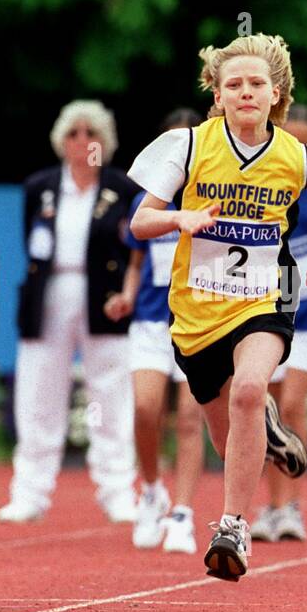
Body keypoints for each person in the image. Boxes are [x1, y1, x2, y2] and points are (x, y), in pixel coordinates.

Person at [128, 34, 307, 581]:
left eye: (256, 83)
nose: (246, 92)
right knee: (224, 432)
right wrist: (178, 218)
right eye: (234, 84)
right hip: (197, 305)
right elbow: (139, 221)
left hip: (268, 293)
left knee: (250, 390)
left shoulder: (299, 154)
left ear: (276, 94)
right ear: (218, 94)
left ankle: (232, 525)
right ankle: (267, 434)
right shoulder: (186, 147)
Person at [0, 100, 141, 524]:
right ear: (61, 141)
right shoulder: (39, 187)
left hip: (104, 294)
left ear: (105, 142)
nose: (82, 141)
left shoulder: (123, 188)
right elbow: (32, 244)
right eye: (74, 133)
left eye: (91, 133)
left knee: (111, 392)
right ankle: (30, 492)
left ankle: (118, 490)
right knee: (38, 391)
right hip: (50, 290)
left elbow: (132, 249)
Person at [254, 104, 307, 544]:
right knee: (266, 407)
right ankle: (271, 505)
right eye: (293, 140)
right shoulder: (264, 181)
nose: (300, 150)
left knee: (292, 405)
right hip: (271, 303)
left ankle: (292, 504)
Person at [125, 109, 206, 554]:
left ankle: (182, 513)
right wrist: (125, 295)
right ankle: (152, 489)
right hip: (152, 320)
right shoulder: (148, 199)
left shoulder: (215, 194)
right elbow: (136, 259)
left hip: (197, 321)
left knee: (191, 418)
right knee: (145, 408)